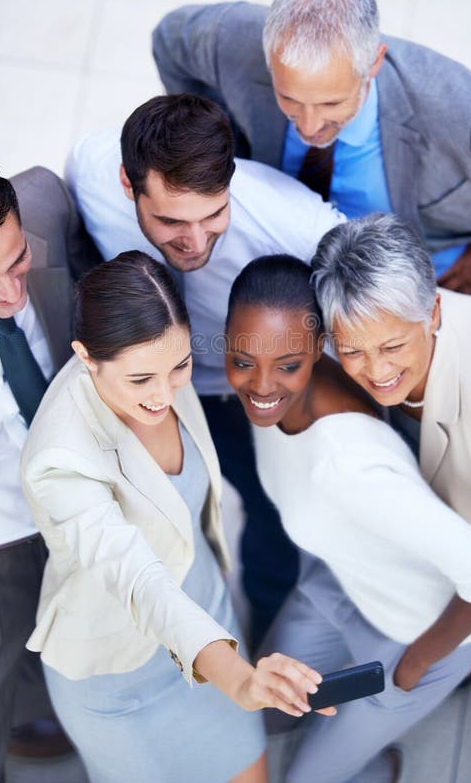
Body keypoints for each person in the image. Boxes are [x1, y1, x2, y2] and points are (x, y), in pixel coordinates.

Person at [20, 250, 331, 783]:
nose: (165, 394)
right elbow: (140, 579)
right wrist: (237, 679)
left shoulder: (158, 361)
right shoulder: (59, 459)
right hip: (119, 676)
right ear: (85, 357)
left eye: (180, 366)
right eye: (141, 380)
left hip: (207, 615)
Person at [224, 254, 471, 783]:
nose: (262, 386)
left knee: (307, 778)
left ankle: (376, 761)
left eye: (287, 365)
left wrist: (414, 667)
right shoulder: (271, 401)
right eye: (244, 360)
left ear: (317, 351)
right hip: (338, 583)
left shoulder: (351, 466)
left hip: (414, 627)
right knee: (256, 710)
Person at [65, 92, 344, 644]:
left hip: (240, 392)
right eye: (170, 221)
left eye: (214, 215)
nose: (195, 242)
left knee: (274, 511)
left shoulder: (296, 221)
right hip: (152, 385)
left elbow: (367, 295)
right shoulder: (90, 169)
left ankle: (266, 626)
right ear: (127, 183)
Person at [311, 213, 471, 783]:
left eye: (392, 346)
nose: (374, 371)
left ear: (435, 312)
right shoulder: (388, 332)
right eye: (351, 350)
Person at [152, 0, 471, 295]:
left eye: (332, 104)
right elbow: (169, 40)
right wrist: (218, 147)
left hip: (438, 267)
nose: (310, 127)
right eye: (289, 99)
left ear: (374, 64)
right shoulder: (230, 38)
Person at [0, 148, 99, 783]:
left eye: (18, 262)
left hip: (75, 485)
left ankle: (47, 714)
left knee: (81, 623)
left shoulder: (46, 195)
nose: (11, 293)